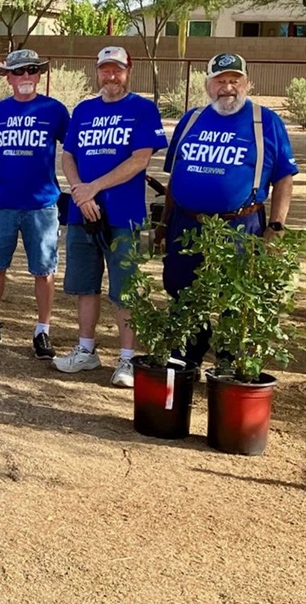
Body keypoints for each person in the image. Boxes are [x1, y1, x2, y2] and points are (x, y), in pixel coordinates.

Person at [156, 52, 298, 371]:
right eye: (220, 80)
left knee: (235, 296)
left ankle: (230, 362)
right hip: (186, 223)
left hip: (240, 226)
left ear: (247, 83)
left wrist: (276, 226)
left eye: (235, 80)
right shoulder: (191, 119)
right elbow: (174, 178)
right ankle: (191, 352)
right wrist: (163, 224)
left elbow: (284, 178)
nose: (228, 87)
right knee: (181, 289)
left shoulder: (266, 122)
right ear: (208, 85)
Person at [55, 45, 167, 387]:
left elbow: (140, 159)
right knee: (85, 286)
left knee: (125, 290)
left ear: (128, 71)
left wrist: (94, 187)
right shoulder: (84, 109)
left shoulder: (142, 110)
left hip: (122, 215)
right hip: (82, 214)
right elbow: (69, 155)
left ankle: (127, 359)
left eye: (117, 69)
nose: (111, 75)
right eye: (105, 69)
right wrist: (79, 190)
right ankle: (86, 350)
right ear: (97, 71)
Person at [0, 49, 70, 359]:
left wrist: (82, 187)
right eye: (18, 72)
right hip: (3, 202)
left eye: (31, 70)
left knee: (44, 270)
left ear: (39, 74)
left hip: (42, 204)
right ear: (7, 77)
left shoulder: (54, 110)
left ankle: (42, 331)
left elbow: (73, 149)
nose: (25, 77)